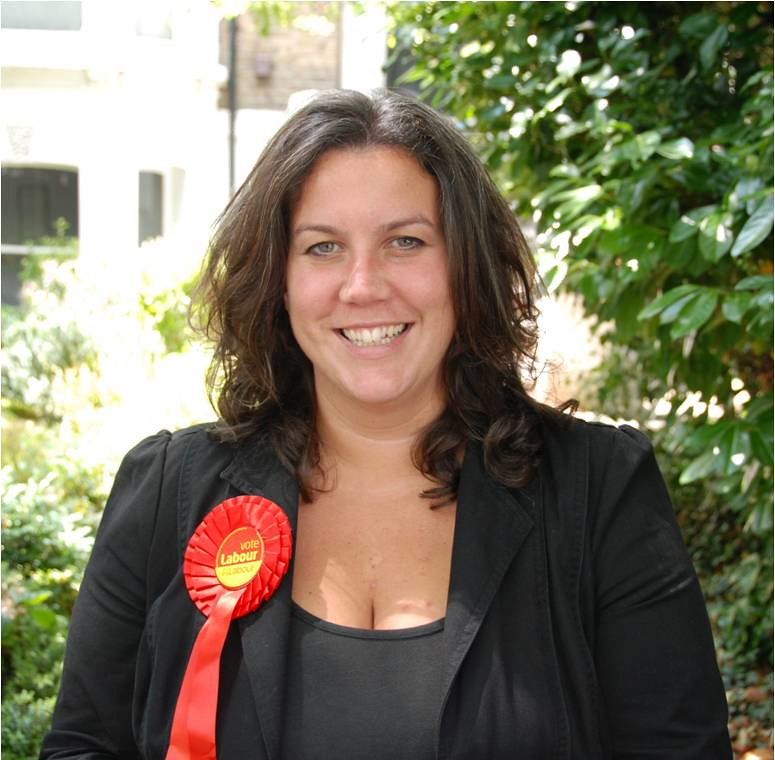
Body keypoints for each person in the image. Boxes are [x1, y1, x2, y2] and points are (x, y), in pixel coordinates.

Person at [40, 89, 732, 759]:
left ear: (467, 266)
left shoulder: (598, 490)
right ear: (276, 281)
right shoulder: (168, 490)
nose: (364, 285)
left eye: (405, 241)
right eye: (321, 247)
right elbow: (83, 746)